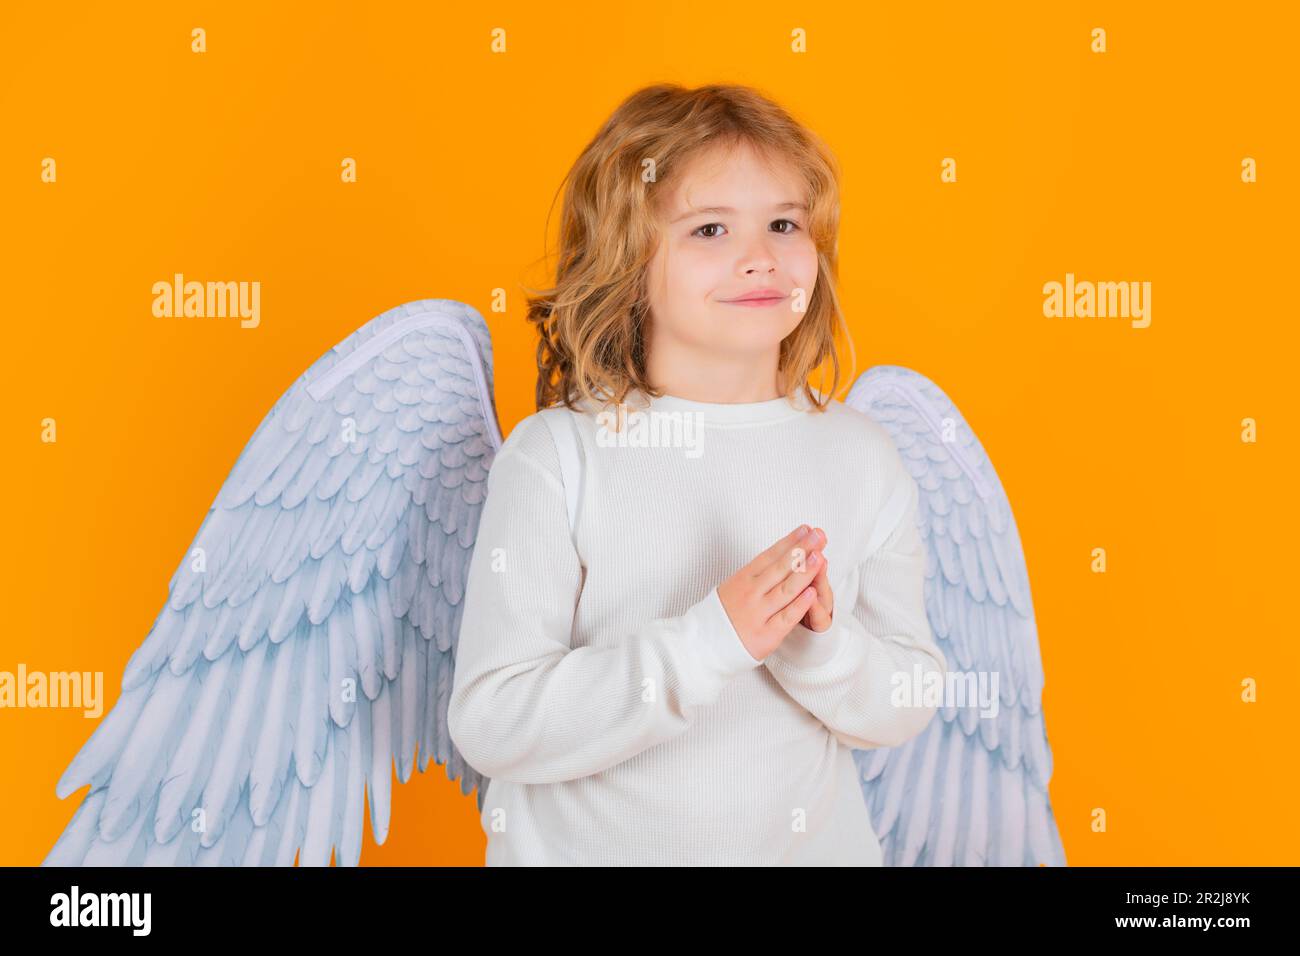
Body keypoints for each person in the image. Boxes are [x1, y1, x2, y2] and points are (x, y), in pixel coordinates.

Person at [447, 83, 946, 865]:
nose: (761, 256)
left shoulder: (861, 454)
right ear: (627, 261)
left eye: (785, 223)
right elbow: (493, 720)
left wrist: (819, 646)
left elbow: (907, 698)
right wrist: (710, 642)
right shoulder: (558, 458)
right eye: (710, 228)